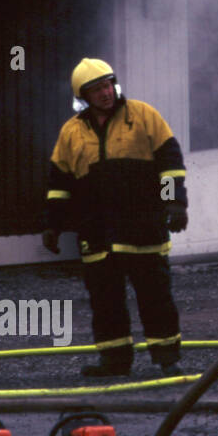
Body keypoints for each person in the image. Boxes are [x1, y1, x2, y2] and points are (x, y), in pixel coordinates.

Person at [42, 58, 188, 378]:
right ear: (84, 96)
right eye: (95, 90)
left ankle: (167, 359)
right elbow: (59, 184)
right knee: (105, 302)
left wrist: (174, 203)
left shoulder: (144, 116)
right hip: (97, 235)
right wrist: (53, 225)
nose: (105, 93)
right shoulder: (71, 132)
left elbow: (170, 163)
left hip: (143, 228)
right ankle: (114, 361)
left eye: (107, 85)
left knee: (155, 297)